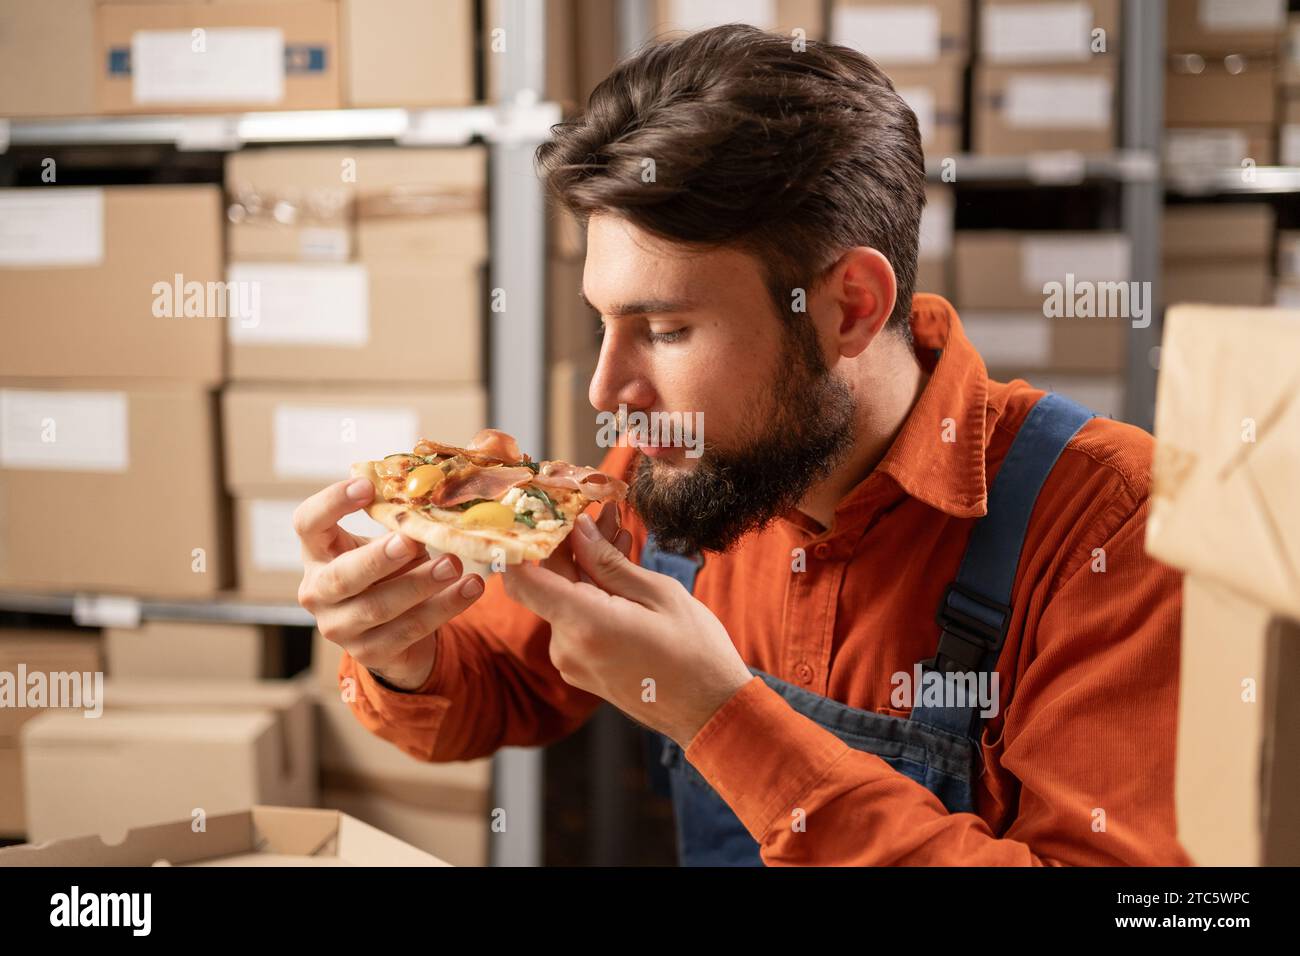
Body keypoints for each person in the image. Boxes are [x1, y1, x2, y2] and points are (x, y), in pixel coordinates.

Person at [294, 25, 1190, 866]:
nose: (608, 392)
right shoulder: (673, 464)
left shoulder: (1117, 528)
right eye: (604, 322)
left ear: (848, 308)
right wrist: (400, 651)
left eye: (668, 329)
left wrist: (718, 714)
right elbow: (497, 686)